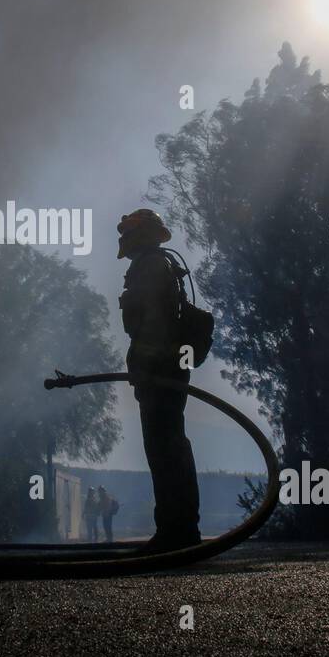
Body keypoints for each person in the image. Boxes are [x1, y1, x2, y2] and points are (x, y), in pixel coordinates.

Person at [117, 208, 201, 552]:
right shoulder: (154, 265)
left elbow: (152, 322)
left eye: (129, 233)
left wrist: (147, 367)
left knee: (165, 448)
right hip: (165, 369)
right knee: (169, 446)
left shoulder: (150, 267)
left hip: (160, 371)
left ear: (143, 235)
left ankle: (175, 532)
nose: (125, 240)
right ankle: (178, 529)